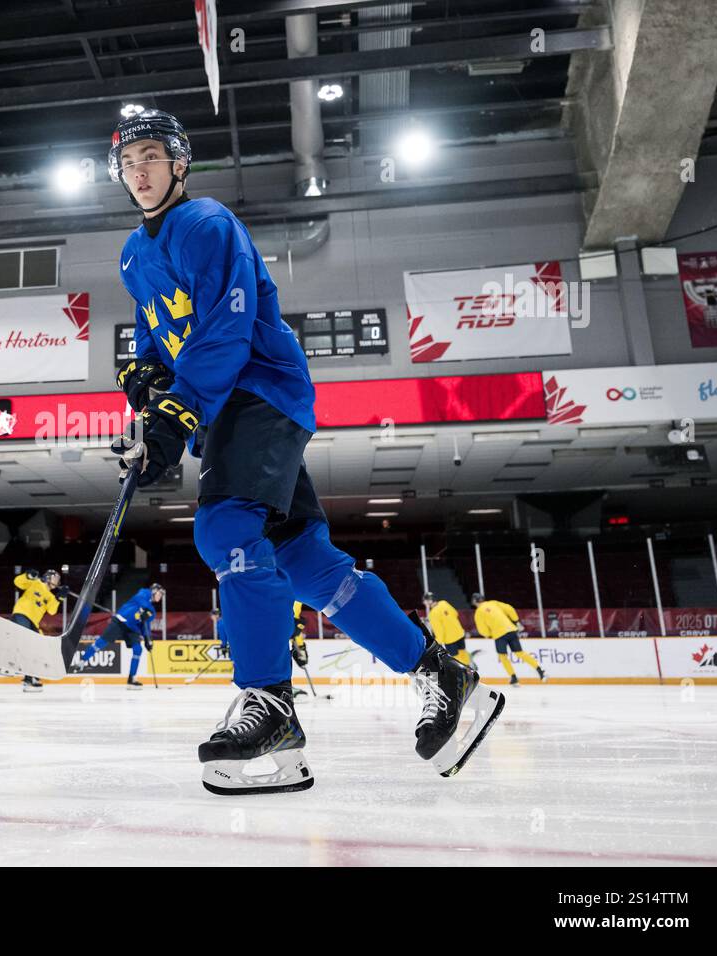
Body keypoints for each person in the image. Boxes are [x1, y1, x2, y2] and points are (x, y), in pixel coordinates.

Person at [107, 109, 503, 793]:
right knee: (304, 560)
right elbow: (158, 330)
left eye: (151, 156)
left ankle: (271, 704)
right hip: (226, 409)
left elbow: (225, 330)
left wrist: (175, 413)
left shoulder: (204, 224)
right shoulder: (132, 254)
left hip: (259, 389)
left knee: (226, 526)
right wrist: (145, 382)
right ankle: (442, 672)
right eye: (127, 161)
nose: (138, 170)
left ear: (179, 164)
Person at [73, 583, 162, 689]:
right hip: (120, 621)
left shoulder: (152, 611)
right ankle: (82, 661)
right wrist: (147, 610)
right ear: (153, 591)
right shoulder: (144, 592)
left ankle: (131, 679)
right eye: (159, 593)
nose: (160, 596)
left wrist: (148, 639)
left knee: (138, 649)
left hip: (132, 629)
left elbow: (145, 625)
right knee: (102, 642)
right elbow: (140, 600)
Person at [10, 568, 68, 692]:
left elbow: (52, 611)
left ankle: (30, 678)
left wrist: (60, 598)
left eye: (58, 580)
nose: (57, 581)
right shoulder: (35, 583)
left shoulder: (50, 596)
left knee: (37, 648)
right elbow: (17, 582)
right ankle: (10, 664)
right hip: (21, 614)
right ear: (48, 577)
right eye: (55, 578)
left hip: (33, 622)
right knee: (25, 641)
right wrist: (28, 575)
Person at [471, 593, 546, 685]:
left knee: (503, 656)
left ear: (474, 601)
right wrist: (516, 621)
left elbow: (482, 629)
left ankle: (513, 677)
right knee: (520, 653)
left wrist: (489, 634)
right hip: (511, 629)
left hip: (499, 634)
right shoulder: (493, 603)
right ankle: (539, 669)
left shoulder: (478, 612)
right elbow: (510, 609)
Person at [423, 593, 472, 668]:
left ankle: (464, 674)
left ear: (429, 601)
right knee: (463, 653)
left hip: (450, 639)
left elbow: (439, 630)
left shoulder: (432, 614)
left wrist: (437, 642)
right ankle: (470, 670)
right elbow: (455, 613)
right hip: (459, 633)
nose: (424, 603)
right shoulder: (444, 603)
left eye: (425, 601)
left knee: (456, 658)